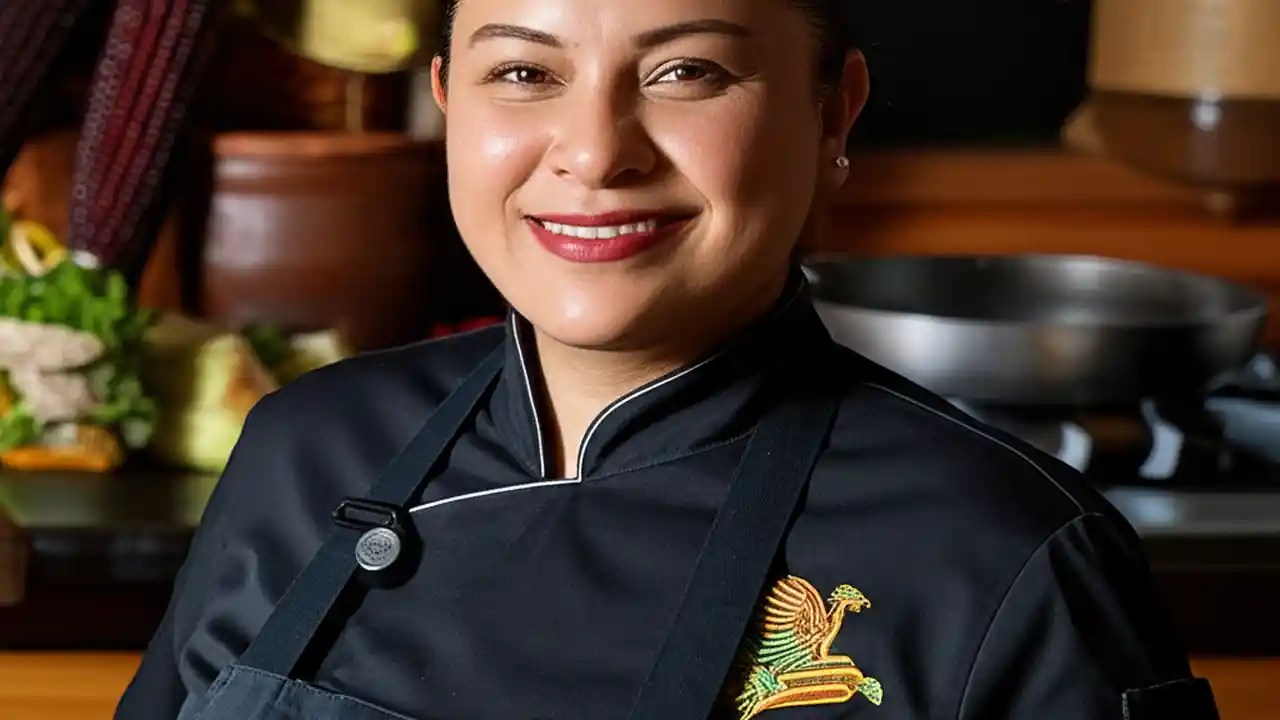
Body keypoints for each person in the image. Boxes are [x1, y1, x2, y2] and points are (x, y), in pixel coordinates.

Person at [116, 0, 1221, 718]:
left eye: (686, 72)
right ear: (448, 101)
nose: (594, 152)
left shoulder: (1007, 553)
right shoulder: (307, 448)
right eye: (522, 76)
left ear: (831, 112)